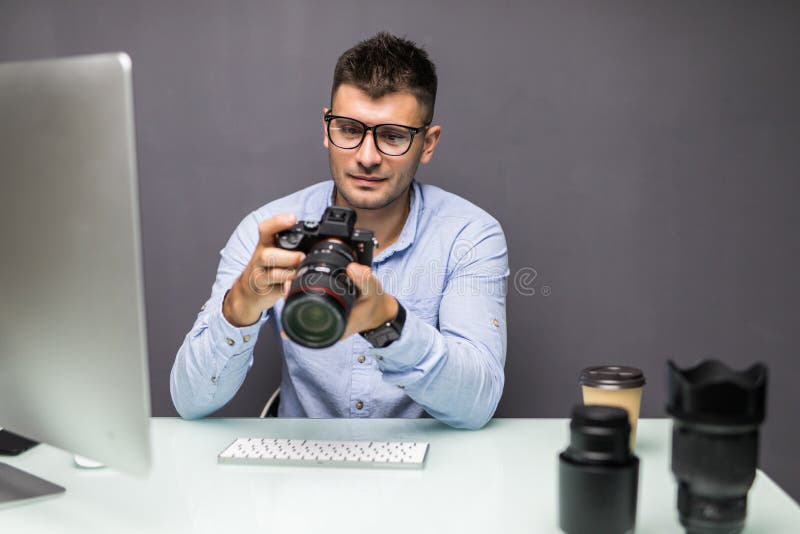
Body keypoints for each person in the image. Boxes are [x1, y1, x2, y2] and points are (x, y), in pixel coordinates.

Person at [170, 32, 508, 430]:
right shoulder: (271, 230)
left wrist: (388, 322)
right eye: (349, 130)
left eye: (393, 136)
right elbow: (190, 402)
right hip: (299, 467)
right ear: (326, 127)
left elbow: (476, 406)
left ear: (428, 144)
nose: (367, 157)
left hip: (427, 474)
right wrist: (239, 307)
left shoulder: (469, 236)